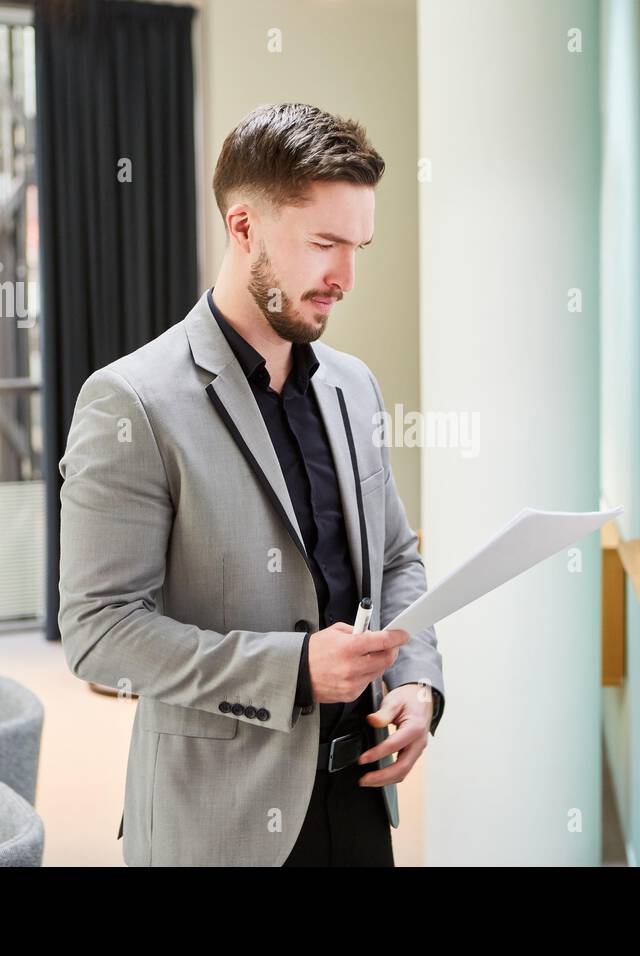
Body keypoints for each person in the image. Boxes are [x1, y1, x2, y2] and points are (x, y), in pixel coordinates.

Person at [57, 103, 444, 866]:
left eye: (358, 245)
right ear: (244, 228)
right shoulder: (131, 401)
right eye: (324, 243)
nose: (346, 277)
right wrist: (294, 671)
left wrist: (418, 682)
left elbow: (398, 557)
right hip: (219, 822)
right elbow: (99, 632)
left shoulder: (353, 386)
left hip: (360, 798)